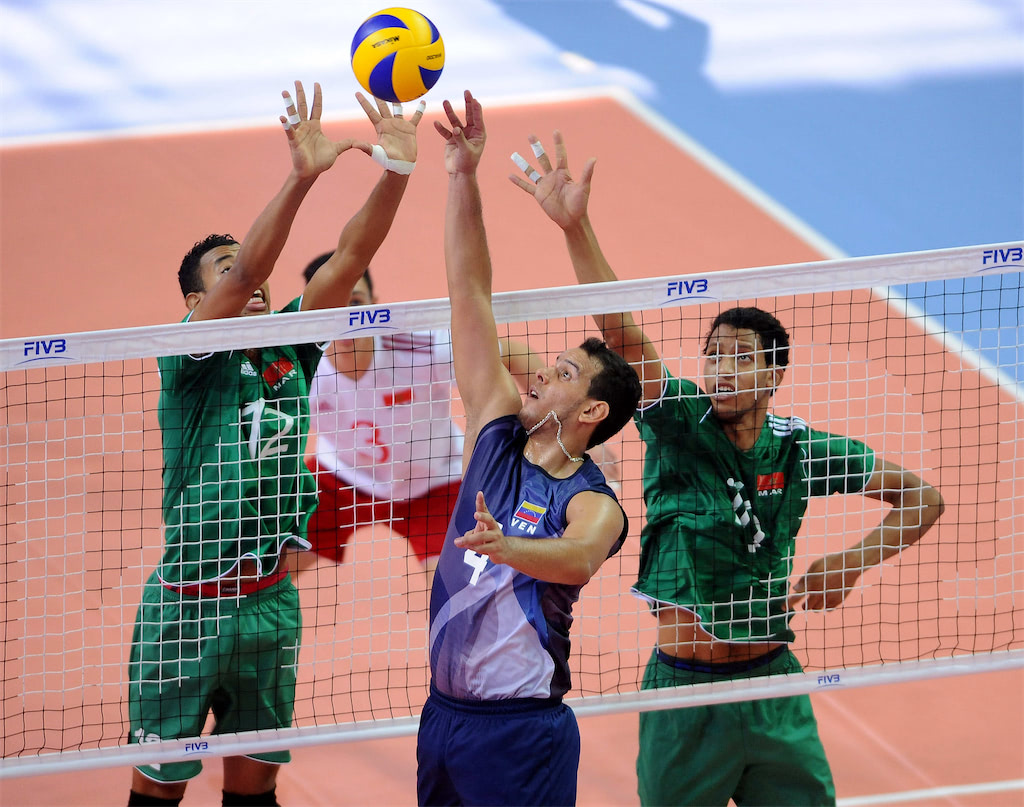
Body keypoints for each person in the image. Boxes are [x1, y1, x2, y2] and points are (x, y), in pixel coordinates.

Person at [509, 130, 946, 806]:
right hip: (684, 695)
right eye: (713, 354)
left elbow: (921, 499)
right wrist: (576, 225)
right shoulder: (680, 419)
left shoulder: (803, 449)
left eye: (739, 356)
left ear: (774, 373)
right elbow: (624, 336)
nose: (720, 367)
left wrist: (853, 561)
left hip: (772, 687)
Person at [126, 81, 424, 807]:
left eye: (247, 272)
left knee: (255, 793)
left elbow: (350, 257)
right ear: (197, 305)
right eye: (225, 272)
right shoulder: (189, 361)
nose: (249, 283)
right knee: (156, 796)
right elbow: (256, 268)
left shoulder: (291, 344)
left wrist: (398, 170)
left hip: (268, 604)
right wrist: (301, 176)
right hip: (187, 606)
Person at [415, 91, 643, 807]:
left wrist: (503, 546)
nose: (542, 371)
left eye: (565, 372)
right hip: (443, 717)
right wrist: (461, 174)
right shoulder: (495, 431)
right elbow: (469, 292)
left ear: (594, 411)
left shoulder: (593, 504)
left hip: (522, 732)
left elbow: (577, 558)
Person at [297, 257, 543, 595]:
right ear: (309, 314)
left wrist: (550, 427)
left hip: (436, 482)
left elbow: (510, 354)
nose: (346, 320)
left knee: (453, 598)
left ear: (373, 303)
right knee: (267, 570)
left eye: (354, 303)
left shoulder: (421, 346)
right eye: (330, 308)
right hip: (342, 478)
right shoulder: (298, 371)